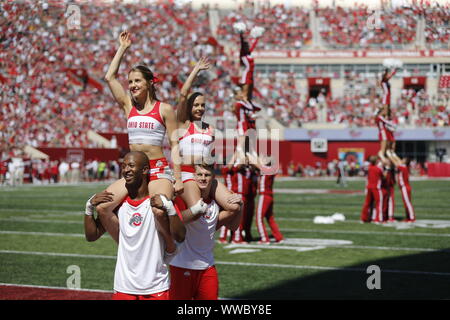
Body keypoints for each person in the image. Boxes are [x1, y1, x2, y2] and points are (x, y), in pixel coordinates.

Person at [98, 31, 183, 243]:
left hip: (157, 169)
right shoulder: (128, 106)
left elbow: (175, 144)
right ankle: (126, 246)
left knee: (159, 210)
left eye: (137, 81)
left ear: (149, 83)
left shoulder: (164, 109)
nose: (133, 85)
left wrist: (178, 177)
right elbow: (109, 77)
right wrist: (123, 48)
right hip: (133, 172)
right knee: (102, 207)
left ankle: (169, 247)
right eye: (130, 82)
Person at [83, 151, 185, 300]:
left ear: (144, 170)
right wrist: (89, 207)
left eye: (131, 165)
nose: (126, 170)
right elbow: (91, 236)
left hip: (156, 287)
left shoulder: (159, 204)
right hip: (124, 287)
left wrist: (169, 208)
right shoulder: (117, 206)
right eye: (123, 166)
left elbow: (181, 236)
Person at [176, 57, 239, 221]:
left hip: (206, 175)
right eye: (196, 105)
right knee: (198, 210)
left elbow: (211, 158)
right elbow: (183, 94)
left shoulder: (210, 129)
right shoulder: (183, 124)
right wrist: (195, 71)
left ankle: (211, 230)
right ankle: (177, 233)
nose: (199, 108)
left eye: (202, 105)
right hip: (188, 174)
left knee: (234, 207)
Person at [169, 163, 243, 300]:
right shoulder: (184, 199)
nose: (203, 178)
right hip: (182, 266)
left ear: (213, 178)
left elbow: (233, 227)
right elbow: (175, 222)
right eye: (199, 175)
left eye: (207, 175)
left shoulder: (215, 204)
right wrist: (194, 211)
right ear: (193, 177)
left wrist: (240, 205)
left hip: (207, 267)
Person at [248, 153, 283, 244]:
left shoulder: (267, 169)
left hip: (264, 196)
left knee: (259, 218)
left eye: (264, 158)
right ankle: (279, 237)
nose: (262, 159)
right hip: (269, 196)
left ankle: (264, 238)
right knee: (270, 218)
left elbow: (254, 163)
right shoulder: (269, 169)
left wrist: (247, 154)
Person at [360, 155, 386, 223]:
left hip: (369, 187)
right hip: (376, 188)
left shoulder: (369, 167)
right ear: (376, 161)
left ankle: (364, 218)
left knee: (367, 203)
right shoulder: (378, 168)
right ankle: (378, 219)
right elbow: (383, 177)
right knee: (379, 204)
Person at [390, 156, 416, 222]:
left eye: (403, 159)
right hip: (404, 187)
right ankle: (408, 217)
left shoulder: (403, 167)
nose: (401, 160)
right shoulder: (403, 166)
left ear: (405, 161)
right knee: (406, 203)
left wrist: (389, 154)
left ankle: (412, 217)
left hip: (405, 187)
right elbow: (398, 160)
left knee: (407, 203)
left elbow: (395, 162)